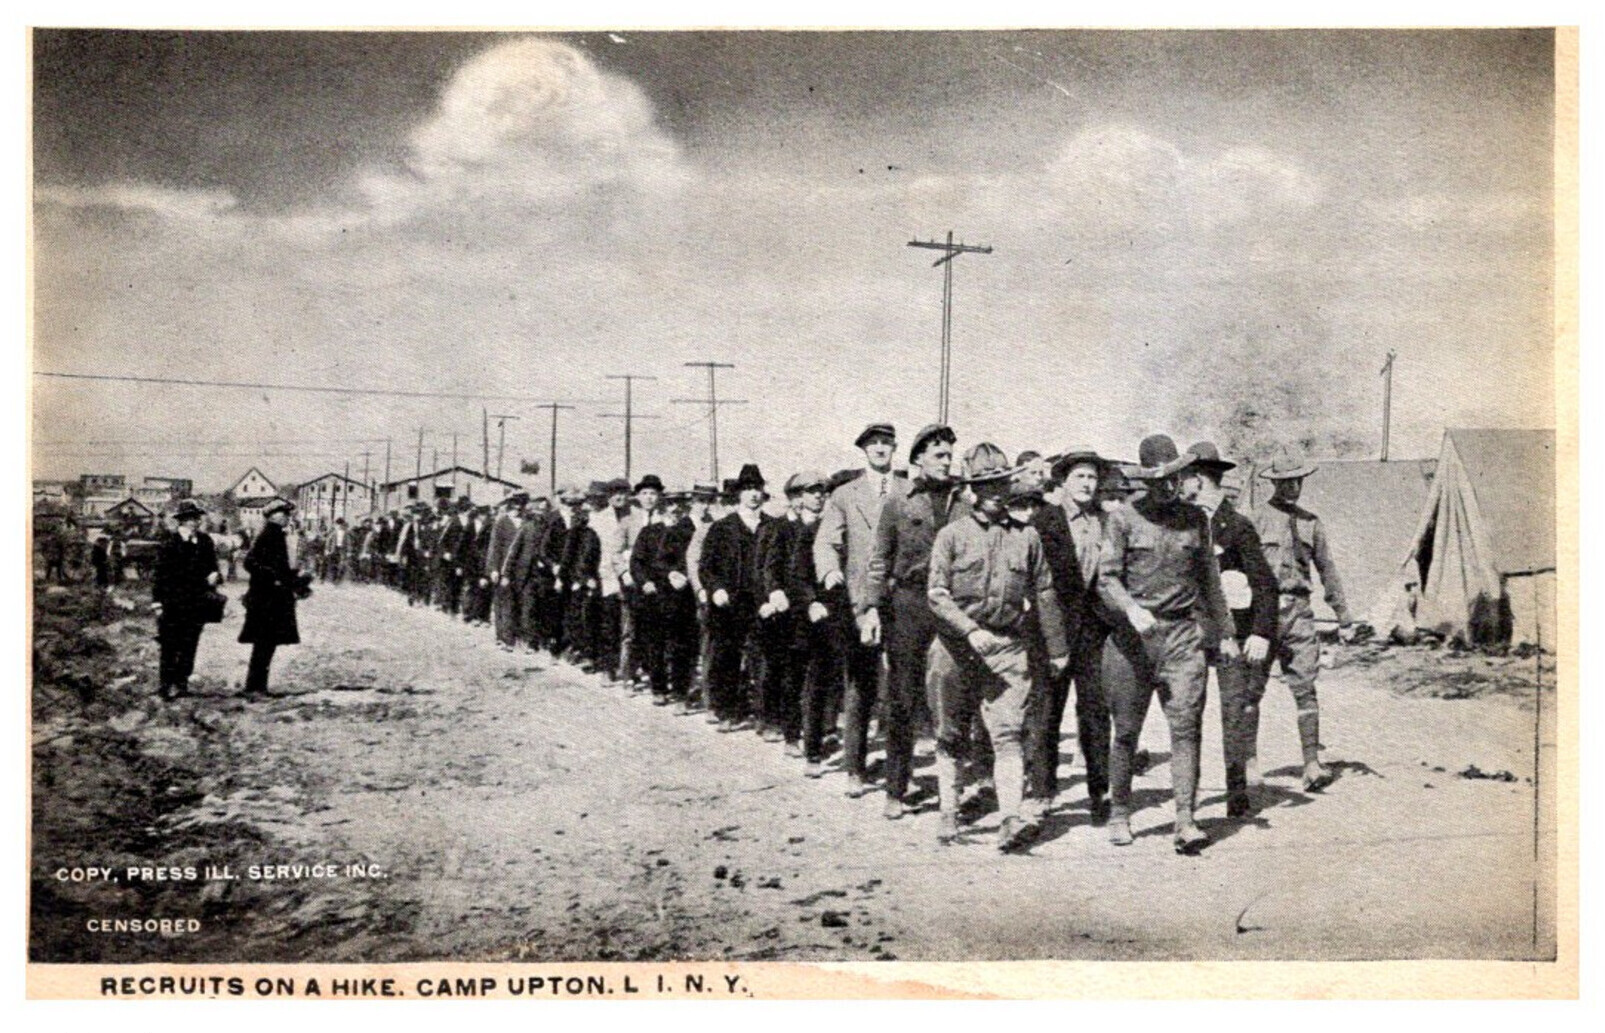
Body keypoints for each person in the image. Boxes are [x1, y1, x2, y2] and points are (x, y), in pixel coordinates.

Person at [927, 444, 1069, 850]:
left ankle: (1009, 818)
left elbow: (1044, 593)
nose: (995, 493)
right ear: (972, 490)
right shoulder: (951, 535)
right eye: (985, 486)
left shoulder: (1027, 537)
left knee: (1008, 734)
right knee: (950, 733)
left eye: (1001, 484)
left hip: (1008, 647)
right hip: (955, 648)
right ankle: (949, 812)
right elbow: (937, 594)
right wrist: (969, 630)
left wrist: (1058, 649)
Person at [1097, 435, 1234, 854]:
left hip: (1181, 638)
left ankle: (1185, 821)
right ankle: (1120, 813)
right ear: (1144, 482)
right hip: (1131, 641)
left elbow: (1210, 580)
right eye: (1158, 481)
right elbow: (1106, 578)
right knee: (1126, 731)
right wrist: (1131, 611)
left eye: (1173, 478)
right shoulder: (1122, 519)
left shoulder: (1196, 520)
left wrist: (1225, 632)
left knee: (1186, 727)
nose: (1167, 487)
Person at [864, 423, 959, 819]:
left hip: (951, 605)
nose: (947, 461)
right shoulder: (899, 502)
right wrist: (870, 608)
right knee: (903, 696)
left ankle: (954, 791)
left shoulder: (962, 502)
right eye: (939, 455)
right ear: (919, 458)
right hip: (908, 603)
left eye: (950, 455)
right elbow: (878, 561)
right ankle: (896, 788)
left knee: (955, 694)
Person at [1180, 442, 1279, 816]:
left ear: (1199, 479)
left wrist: (1260, 632)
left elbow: (1266, 583)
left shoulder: (1236, 526)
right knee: (1187, 713)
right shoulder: (1181, 522)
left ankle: (1235, 790)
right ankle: (1187, 799)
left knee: (1233, 712)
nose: (1178, 484)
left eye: (1184, 476)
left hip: (1231, 634)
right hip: (1190, 635)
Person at [1250, 446, 1357, 792]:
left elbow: (1328, 570)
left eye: (1297, 480)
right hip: (1261, 615)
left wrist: (1344, 617)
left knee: (1305, 688)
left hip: (1299, 613)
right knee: (1251, 690)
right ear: (1274, 483)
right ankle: (1249, 766)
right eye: (1285, 481)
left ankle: (1311, 764)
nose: (1292, 487)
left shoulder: (1312, 524)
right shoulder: (1255, 519)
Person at [814, 421, 909, 797]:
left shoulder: (908, 490)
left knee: (902, 683)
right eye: (874, 443)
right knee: (862, 683)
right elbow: (826, 541)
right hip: (858, 599)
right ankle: (855, 765)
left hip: (899, 598)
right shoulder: (844, 494)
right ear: (864, 450)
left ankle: (899, 769)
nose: (881, 449)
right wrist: (829, 570)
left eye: (887, 443)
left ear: (895, 448)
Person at [1026, 446, 1117, 824]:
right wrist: (1051, 637)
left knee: (1095, 711)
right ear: (1062, 482)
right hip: (1051, 629)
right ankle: (1043, 791)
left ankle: (1100, 791)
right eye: (1079, 477)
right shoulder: (1043, 521)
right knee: (1047, 711)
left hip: (1094, 630)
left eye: (1093, 478)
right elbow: (1034, 580)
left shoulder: (1106, 521)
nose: (1087, 484)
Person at [699, 464, 772, 731]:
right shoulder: (722, 528)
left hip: (762, 604)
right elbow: (706, 566)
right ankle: (728, 712)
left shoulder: (771, 526)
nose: (753, 494)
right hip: (729, 604)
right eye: (748, 489)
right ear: (739, 494)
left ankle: (766, 717)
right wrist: (716, 588)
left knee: (764, 659)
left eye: (757, 489)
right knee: (727, 658)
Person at [786, 471, 844, 777]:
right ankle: (811, 750)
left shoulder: (857, 530)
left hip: (849, 613)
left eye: (826, 492)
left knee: (840, 678)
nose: (823, 497)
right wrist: (811, 602)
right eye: (815, 492)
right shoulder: (810, 532)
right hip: (817, 615)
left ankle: (830, 729)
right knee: (817, 680)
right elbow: (797, 575)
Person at [151, 500, 221, 700]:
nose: (195, 522)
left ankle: (182, 683)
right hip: (173, 603)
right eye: (190, 519)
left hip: (197, 602)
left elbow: (214, 566)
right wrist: (157, 602)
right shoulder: (169, 544)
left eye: (197, 518)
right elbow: (160, 575)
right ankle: (165, 686)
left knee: (190, 644)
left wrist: (215, 575)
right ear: (181, 522)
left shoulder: (205, 542)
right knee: (170, 645)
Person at [239, 498, 306, 699]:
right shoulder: (268, 535)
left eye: (288, 514)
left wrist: (295, 583)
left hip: (272, 598)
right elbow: (250, 563)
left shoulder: (276, 535)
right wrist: (273, 578)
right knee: (264, 642)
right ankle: (254, 687)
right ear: (274, 516)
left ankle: (258, 686)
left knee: (267, 643)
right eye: (284, 514)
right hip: (266, 599)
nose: (288, 517)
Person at [755, 475, 804, 744]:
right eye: (795, 496)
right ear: (790, 499)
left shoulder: (820, 527)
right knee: (777, 669)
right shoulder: (776, 528)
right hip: (777, 608)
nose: (800, 502)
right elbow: (762, 568)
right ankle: (772, 719)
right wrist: (767, 599)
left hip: (805, 608)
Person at [487, 493, 528, 651]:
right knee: (504, 602)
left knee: (518, 603)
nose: (518, 509)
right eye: (515, 506)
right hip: (503, 568)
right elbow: (495, 548)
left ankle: (517, 636)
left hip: (520, 570)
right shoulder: (501, 523)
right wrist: (494, 569)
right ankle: (504, 638)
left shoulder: (525, 522)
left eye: (520, 506)